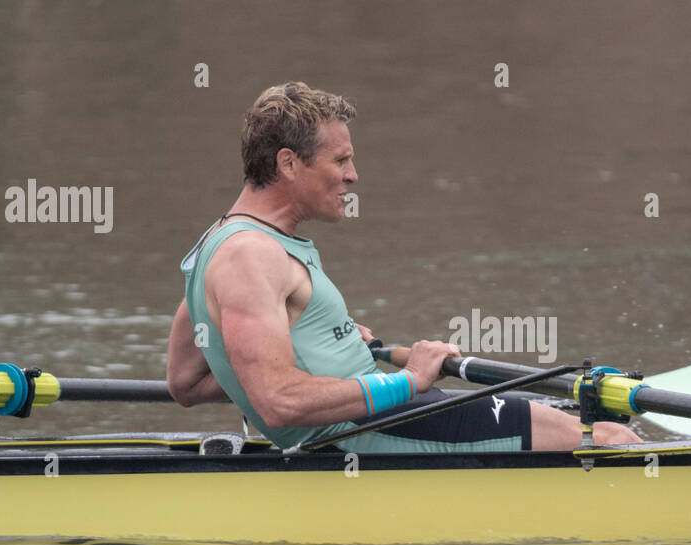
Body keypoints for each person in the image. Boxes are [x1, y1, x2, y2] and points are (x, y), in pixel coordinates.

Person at [165, 81, 639, 452]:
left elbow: (187, 383)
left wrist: (340, 348)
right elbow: (278, 400)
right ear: (289, 163)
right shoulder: (251, 257)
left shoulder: (218, 241)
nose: (353, 175)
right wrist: (407, 380)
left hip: (376, 413)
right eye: (341, 160)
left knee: (585, 416)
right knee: (608, 438)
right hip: (362, 431)